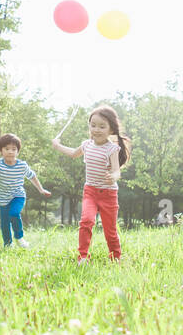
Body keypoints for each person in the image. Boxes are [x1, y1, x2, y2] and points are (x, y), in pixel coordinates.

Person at [52, 105, 132, 262]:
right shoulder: (86, 145)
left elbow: (117, 171)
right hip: (90, 192)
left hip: (108, 195)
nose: (96, 129)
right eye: (93, 125)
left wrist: (113, 177)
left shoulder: (112, 149)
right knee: (86, 221)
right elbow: (73, 154)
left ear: (111, 130)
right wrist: (57, 146)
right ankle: (83, 256)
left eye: (102, 126)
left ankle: (115, 257)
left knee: (110, 230)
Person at [0, 133, 52, 248]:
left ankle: (19, 237)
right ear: (1, 150)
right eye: (7, 149)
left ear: (18, 151)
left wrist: (41, 189)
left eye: (14, 149)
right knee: (4, 224)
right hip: (3, 198)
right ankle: (8, 244)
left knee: (14, 213)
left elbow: (32, 176)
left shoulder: (22, 165)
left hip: (18, 196)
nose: (10, 152)